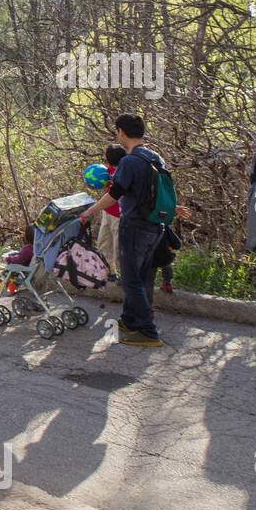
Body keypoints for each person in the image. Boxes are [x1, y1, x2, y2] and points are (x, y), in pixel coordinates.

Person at [79, 113, 167, 346]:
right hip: (154, 226)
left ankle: (147, 331)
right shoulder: (155, 157)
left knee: (130, 279)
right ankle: (129, 320)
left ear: (121, 132)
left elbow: (114, 195)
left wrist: (89, 211)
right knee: (139, 276)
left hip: (135, 225)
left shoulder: (129, 162)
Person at [94, 144, 124, 280]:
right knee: (103, 243)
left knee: (119, 248)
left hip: (120, 215)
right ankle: (109, 272)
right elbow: (103, 183)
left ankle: (124, 276)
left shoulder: (125, 171)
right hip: (107, 212)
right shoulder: (109, 170)